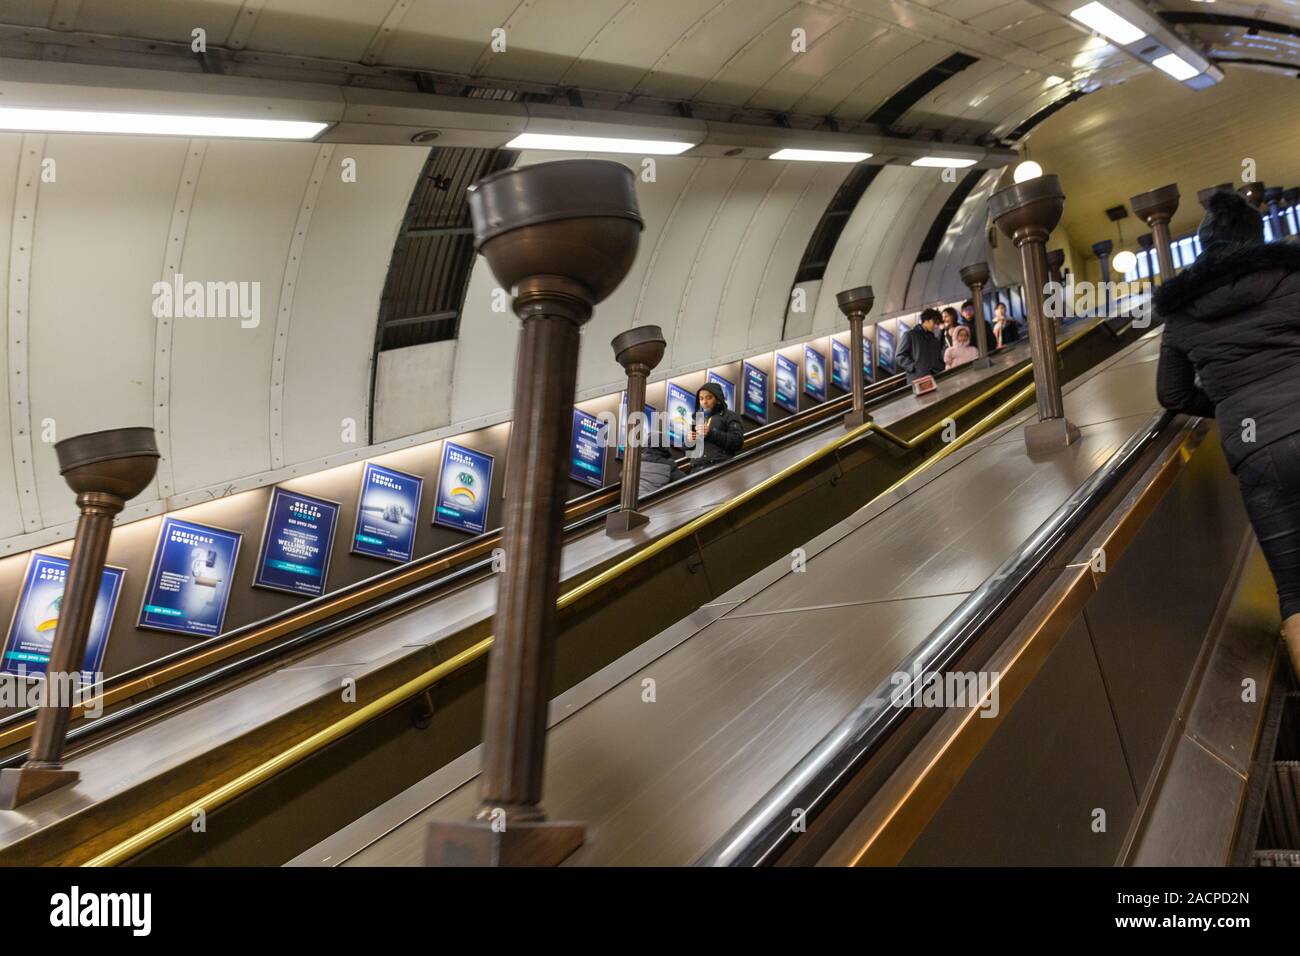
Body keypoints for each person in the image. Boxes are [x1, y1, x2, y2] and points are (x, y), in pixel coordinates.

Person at [1155, 189, 1300, 680]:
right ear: (1256, 238)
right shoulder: (1289, 276)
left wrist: (1227, 403)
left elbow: (1172, 393)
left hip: (1258, 454)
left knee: (1294, 593)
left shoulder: (1180, 312)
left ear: (1203, 246)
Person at [686, 380, 744, 471]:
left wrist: (711, 433)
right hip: (696, 470)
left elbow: (737, 442)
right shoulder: (698, 419)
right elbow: (687, 451)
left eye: (708, 398)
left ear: (718, 399)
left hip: (719, 468)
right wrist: (689, 442)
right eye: (701, 399)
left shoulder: (730, 416)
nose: (704, 402)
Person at [897, 308, 946, 383]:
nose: (936, 326)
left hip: (935, 378)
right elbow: (899, 355)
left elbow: (939, 358)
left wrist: (940, 367)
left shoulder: (934, 340)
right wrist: (914, 367)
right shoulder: (910, 335)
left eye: (937, 324)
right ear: (926, 321)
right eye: (934, 323)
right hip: (918, 379)